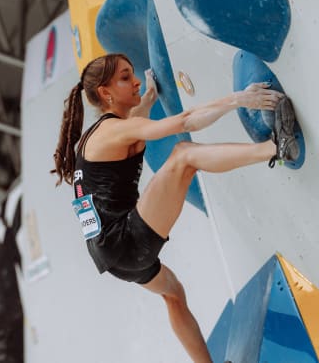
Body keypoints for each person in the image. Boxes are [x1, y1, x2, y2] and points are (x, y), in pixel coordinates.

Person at [51, 53, 298, 362]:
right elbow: (183, 122)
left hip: (111, 258)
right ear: (105, 92)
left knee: (174, 295)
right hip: (123, 241)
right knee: (183, 155)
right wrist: (239, 99)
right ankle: (276, 147)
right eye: (126, 77)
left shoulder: (96, 135)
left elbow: (135, 122)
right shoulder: (113, 131)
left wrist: (151, 96)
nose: (136, 80)